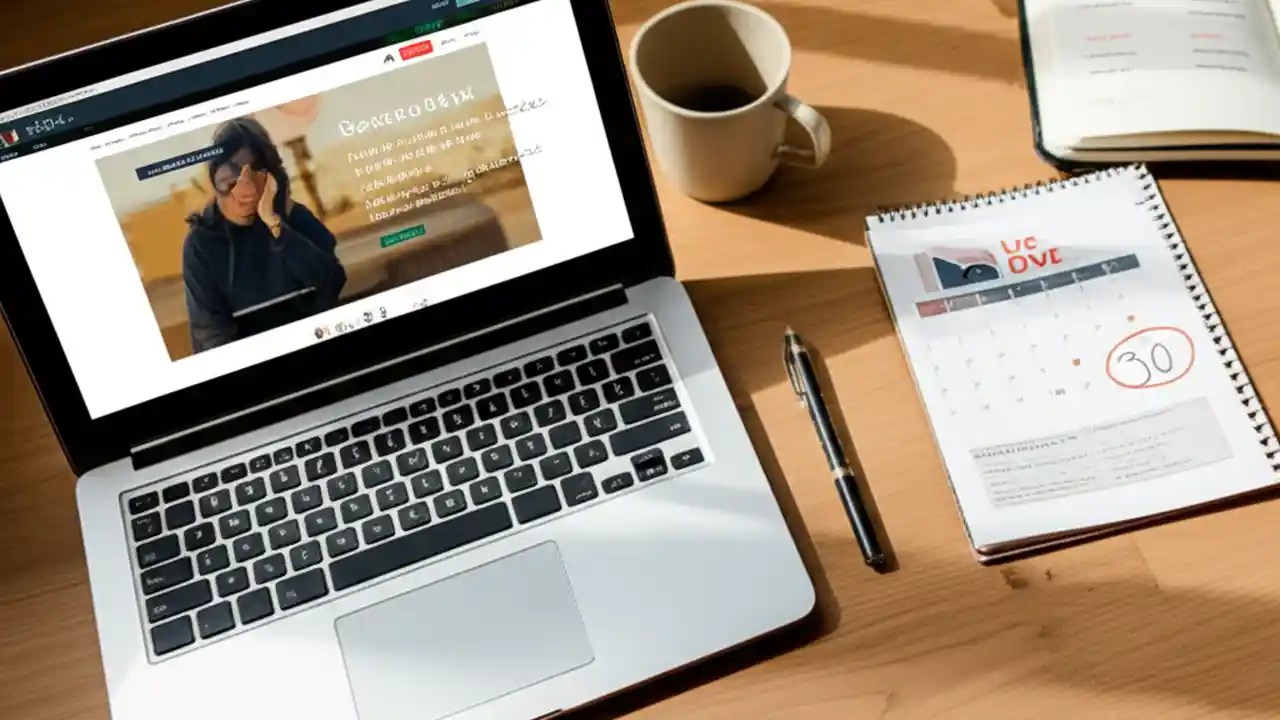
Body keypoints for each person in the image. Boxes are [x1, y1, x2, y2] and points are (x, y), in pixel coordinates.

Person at [183, 117, 346, 353]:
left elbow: (331, 282)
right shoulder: (203, 244)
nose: (244, 190)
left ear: (271, 176)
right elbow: (212, 334)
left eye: (254, 174)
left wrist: (276, 225)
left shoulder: (293, 218)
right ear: (214, 181)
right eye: (229, 180)